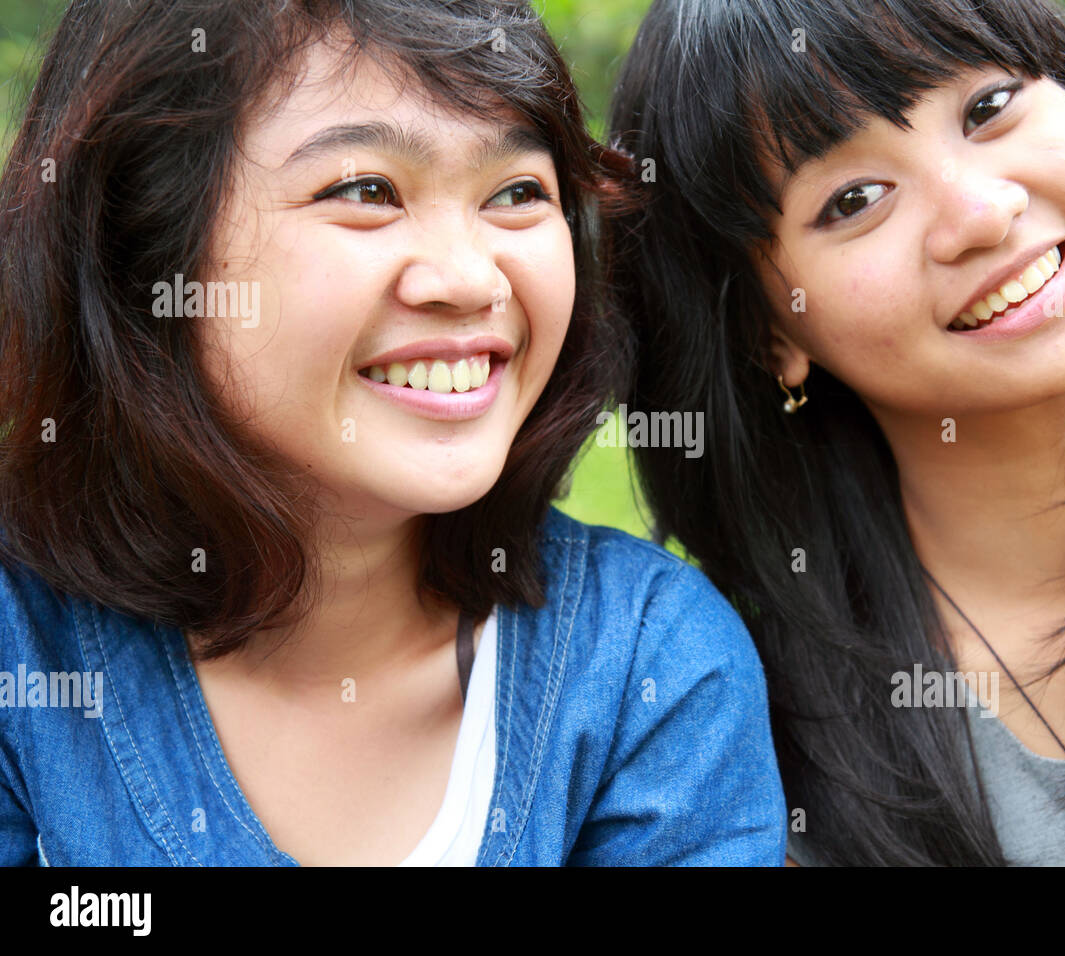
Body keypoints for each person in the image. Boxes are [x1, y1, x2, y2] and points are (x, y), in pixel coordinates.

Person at [0, 0, 786, 867]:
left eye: (518, 193)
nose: (467, 278)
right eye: (366, 191)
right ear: (143, 249)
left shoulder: (653, 670)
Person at [607, 0, 1065, 865]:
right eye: (855, 199)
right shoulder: (716, 723)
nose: (980, 213)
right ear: (769, 332)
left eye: (987, 108)